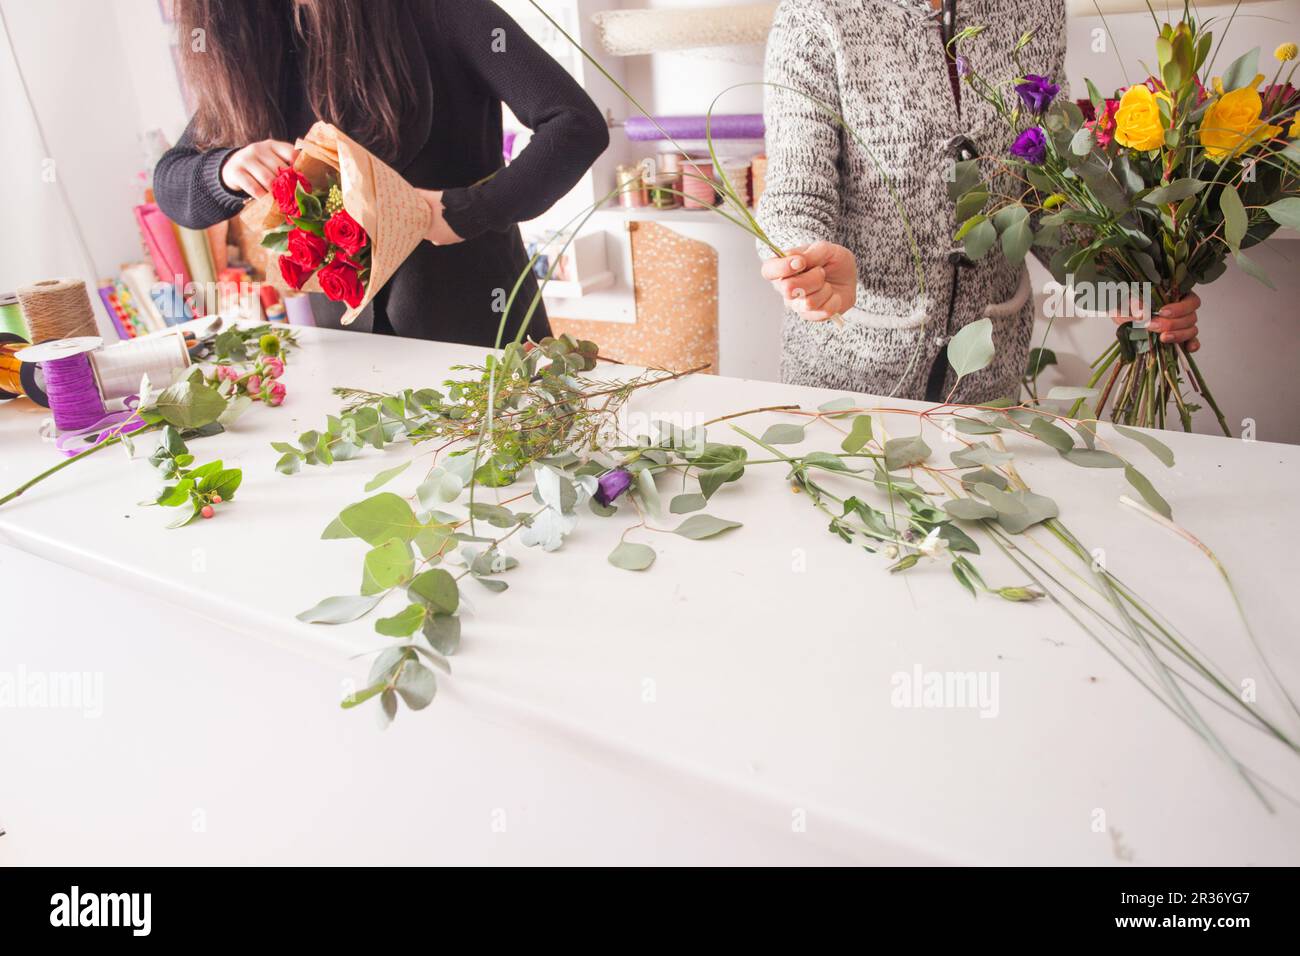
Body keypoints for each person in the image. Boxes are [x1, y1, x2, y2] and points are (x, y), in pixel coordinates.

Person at [757, 0, 1200, 403]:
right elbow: (794, 196)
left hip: (988, 376)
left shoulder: (1036, 9)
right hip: (849, 377)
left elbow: (1043, 187)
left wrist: (1121, 286)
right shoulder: (815, 13)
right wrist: (804, 263)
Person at [154, 0, 609, 345]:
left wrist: (470, 211)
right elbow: (173, 182)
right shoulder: (257, 46)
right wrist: (226, 168)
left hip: (479, 324)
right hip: (352, 350)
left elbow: (575, 124)